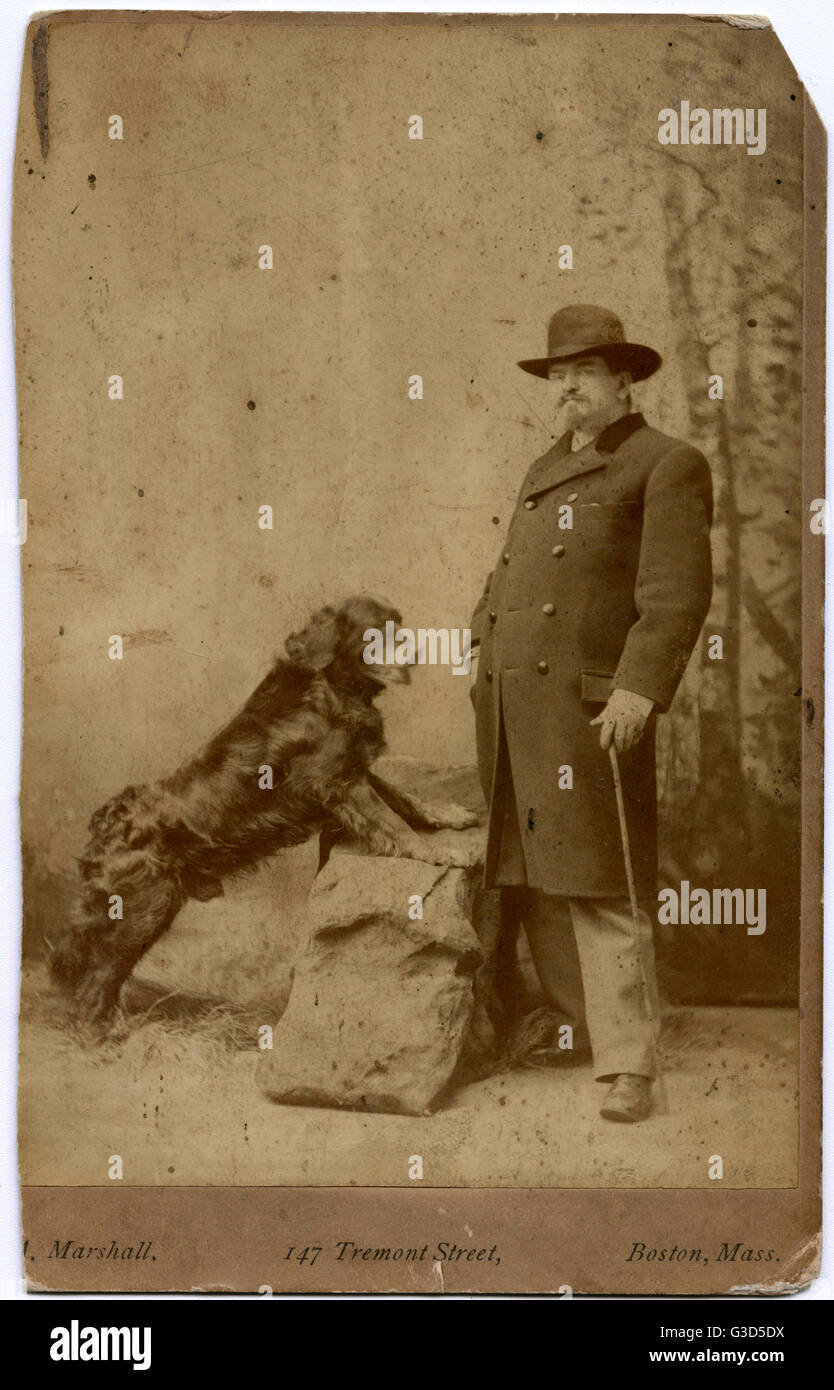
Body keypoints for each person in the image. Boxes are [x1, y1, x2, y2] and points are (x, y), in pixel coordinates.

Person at [469, 304, 713, 1122]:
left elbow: (675, 596)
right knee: (534, 878)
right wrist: (480, 640)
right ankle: (577, 1030)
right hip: (513, 706)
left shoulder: (665, 464)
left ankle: (629, 1066)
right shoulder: (544, 467)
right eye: (558, 375)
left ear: (623, 378)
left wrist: (639, 689)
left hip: (591, 711)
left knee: (603, 881)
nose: (567, 387)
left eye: (583, 373)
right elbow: (509, 575)